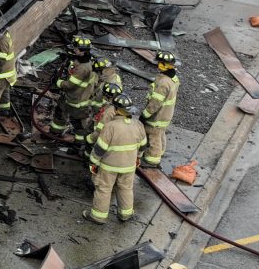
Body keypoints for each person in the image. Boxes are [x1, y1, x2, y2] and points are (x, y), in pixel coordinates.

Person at [90, 95, 146, 224]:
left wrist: (93, 162)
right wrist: (138, 157)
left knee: (104, 189)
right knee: (126, 188)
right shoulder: (138, 125)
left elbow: (99, 149)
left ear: (116, 109)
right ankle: (125, 214)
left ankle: (98, 217)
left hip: (109, 167)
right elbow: (143, 145)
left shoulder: (110, 126)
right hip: (129, 166)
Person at [141, 56, 180, 168]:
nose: (158, 65)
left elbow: (155, 103)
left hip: (158, 116)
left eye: (159, 63)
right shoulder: (173, 78)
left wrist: (145, 115)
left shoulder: (163, 83)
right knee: (160, 133)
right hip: (166, 114)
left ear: (164, 65)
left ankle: (152, 160)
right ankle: (160, 152)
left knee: (154, 136)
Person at [55, 35, 97, 138]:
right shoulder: (82, 60)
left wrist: (57, 82)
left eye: (76, 48)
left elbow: (70, 85)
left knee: (77, 122)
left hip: (76, 100)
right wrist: (69, 61)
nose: (74, 50)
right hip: (70, 96)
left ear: (82, 51)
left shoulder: (83, 68)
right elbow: (74, 67)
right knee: (59, 112)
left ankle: (79, 142)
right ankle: (55, 131)